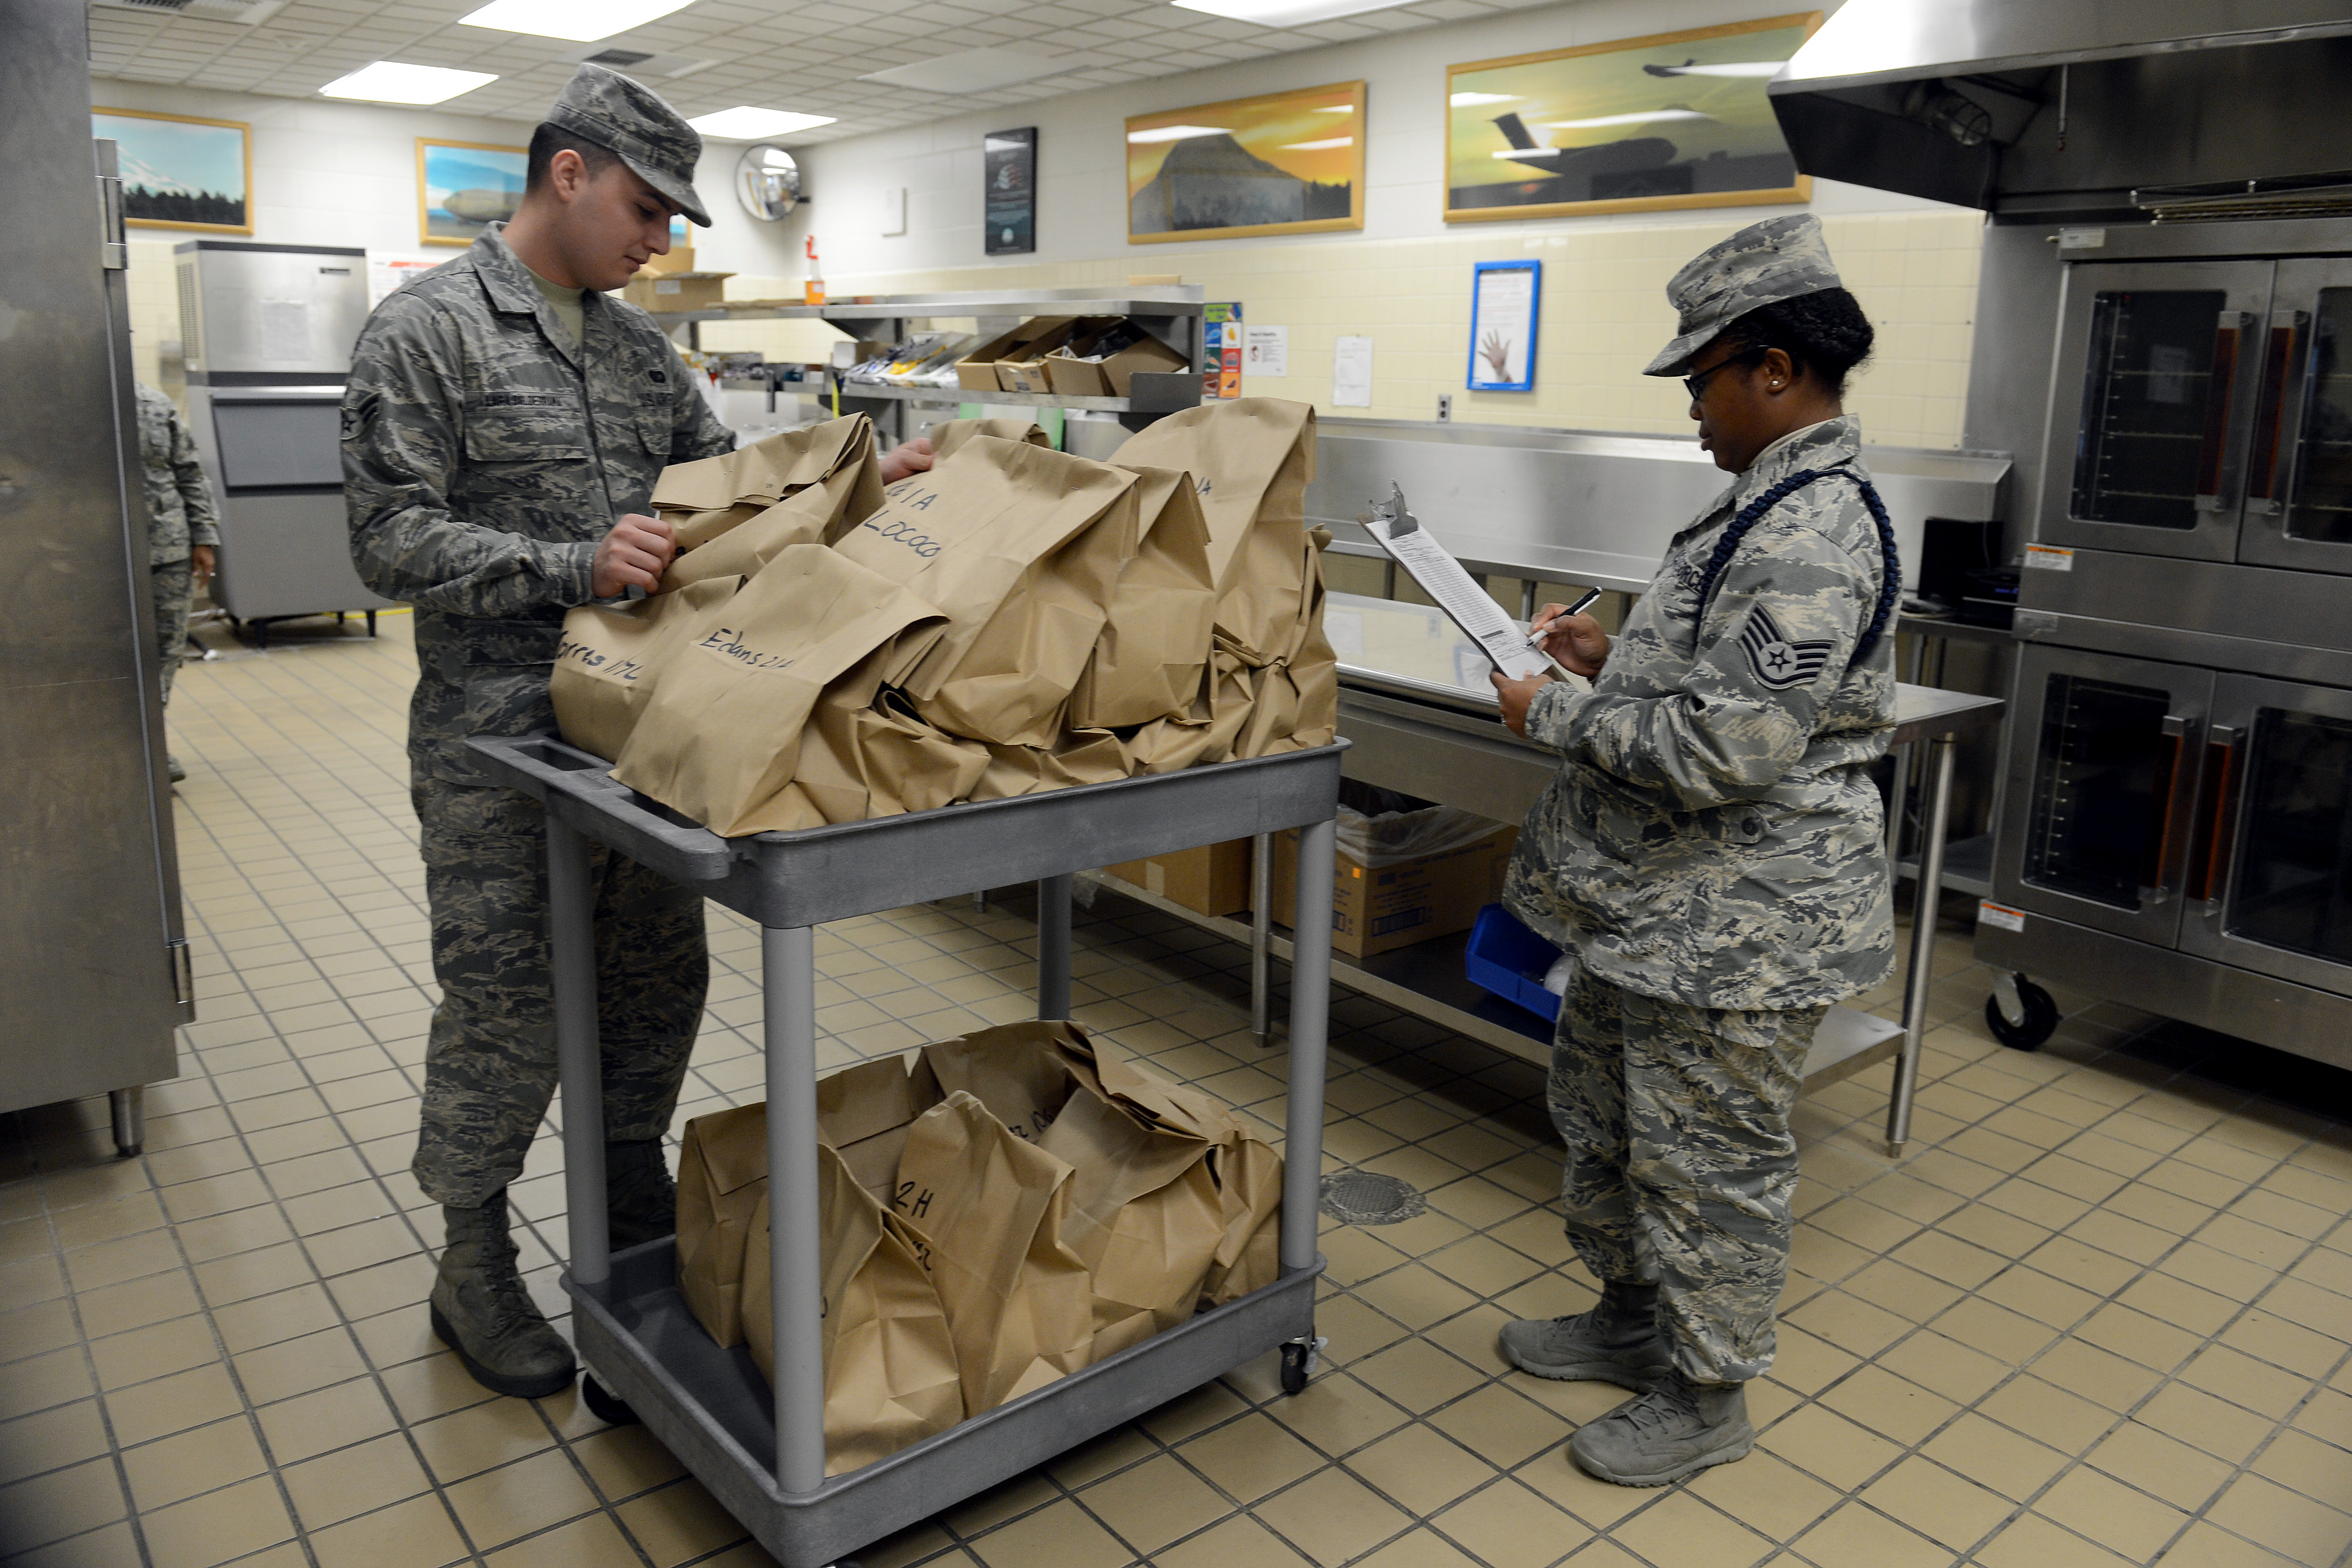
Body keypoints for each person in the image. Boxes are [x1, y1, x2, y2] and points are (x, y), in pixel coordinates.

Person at [344, 63, 933, 1399]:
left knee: (657, 983)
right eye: (647, 207)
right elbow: (385, 539)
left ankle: (624, 1199)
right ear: (567, 172)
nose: (659, 240)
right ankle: (472, 1258)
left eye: (672, 218)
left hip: (641, 730)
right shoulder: (428, 330)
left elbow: (729, 495)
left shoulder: (634, 350)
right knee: (507, 1007)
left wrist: (850, 481)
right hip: (499, 741)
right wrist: (569, 558)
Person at [1487, 214, 1899, 1487]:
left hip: (1738, 926)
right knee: (1604, 1119)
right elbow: (1714, 692)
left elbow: (1728, 753)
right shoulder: (1754, 509)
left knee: (1705, 1161)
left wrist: (1546, 708)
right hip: (1653, 911)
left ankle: (1706, 1390)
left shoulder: (1808, 531)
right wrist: (1615, 663)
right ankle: (1628, 1317)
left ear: (1773, 369)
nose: (1692, 410)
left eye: (1702, 379)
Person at [136, 380, 220, 783]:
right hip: (99, 561)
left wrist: (203, 537)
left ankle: (152, 745)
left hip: (167, 552)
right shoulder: (71, 410)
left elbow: (189, 473)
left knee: (165, 651)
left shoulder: (154, 403)